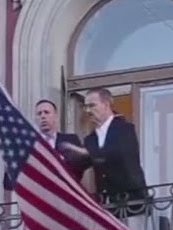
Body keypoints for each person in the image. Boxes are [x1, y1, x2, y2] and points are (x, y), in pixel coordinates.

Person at [59, 88, 149, 216]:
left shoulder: (125, 129)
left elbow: (120, 154)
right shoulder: (90, 139)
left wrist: (87, 153)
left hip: (133, 203)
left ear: (106, 104)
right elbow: (81, 164)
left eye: (92, 105)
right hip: (107, 206)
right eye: (85, 107)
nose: (88, 111)